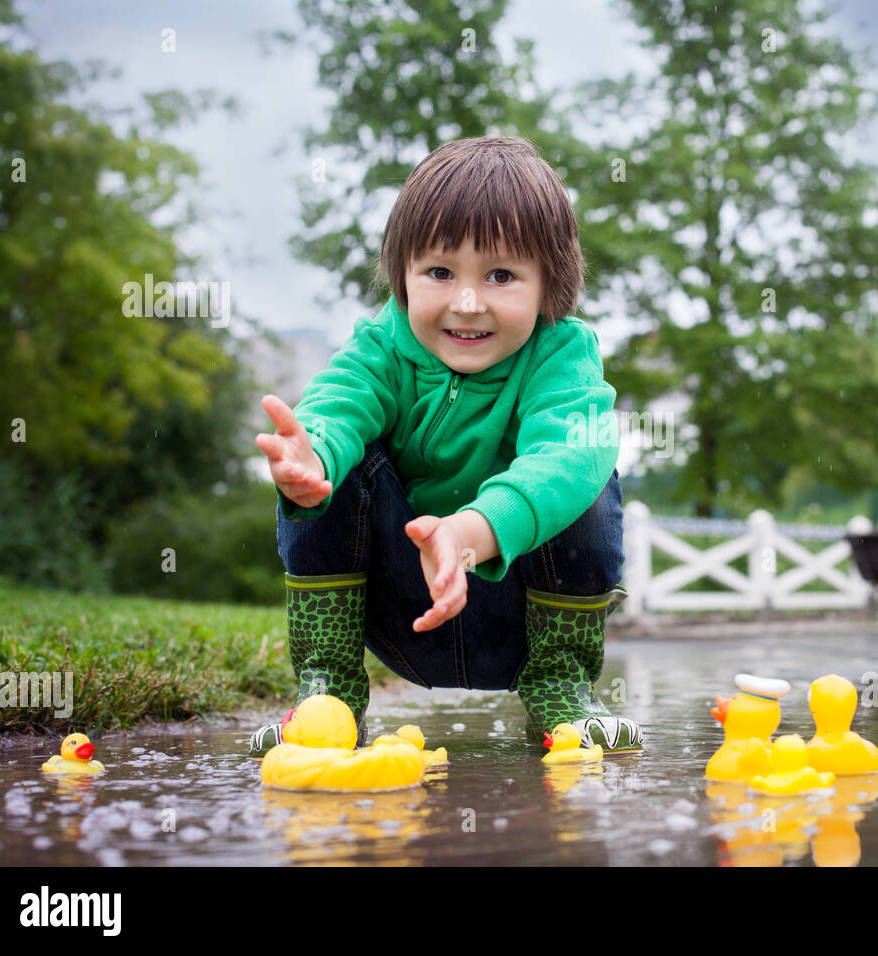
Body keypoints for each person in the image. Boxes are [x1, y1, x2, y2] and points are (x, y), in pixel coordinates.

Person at [247, 136, 641, 757]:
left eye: (502, 275)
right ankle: (328, 694)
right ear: (402, 274)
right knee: (334, 471)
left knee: (588, 474)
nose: (466, 302)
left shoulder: (562, 355)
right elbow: (338, 402)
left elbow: (571, 452)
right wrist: (313, 455)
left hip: (525, 617)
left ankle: (562, 688)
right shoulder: (383, 344)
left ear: (549, 286)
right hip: (402, 608)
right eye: (439, 271)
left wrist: (474, 529)